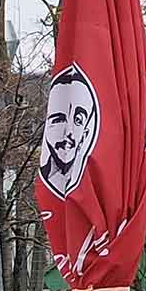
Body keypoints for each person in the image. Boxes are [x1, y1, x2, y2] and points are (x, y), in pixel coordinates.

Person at [39, 64, 98, 199]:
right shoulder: (45, 183)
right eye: (59, 119)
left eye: (78, 120)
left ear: (85, 135)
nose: (69, 131)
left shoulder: (93, 188)